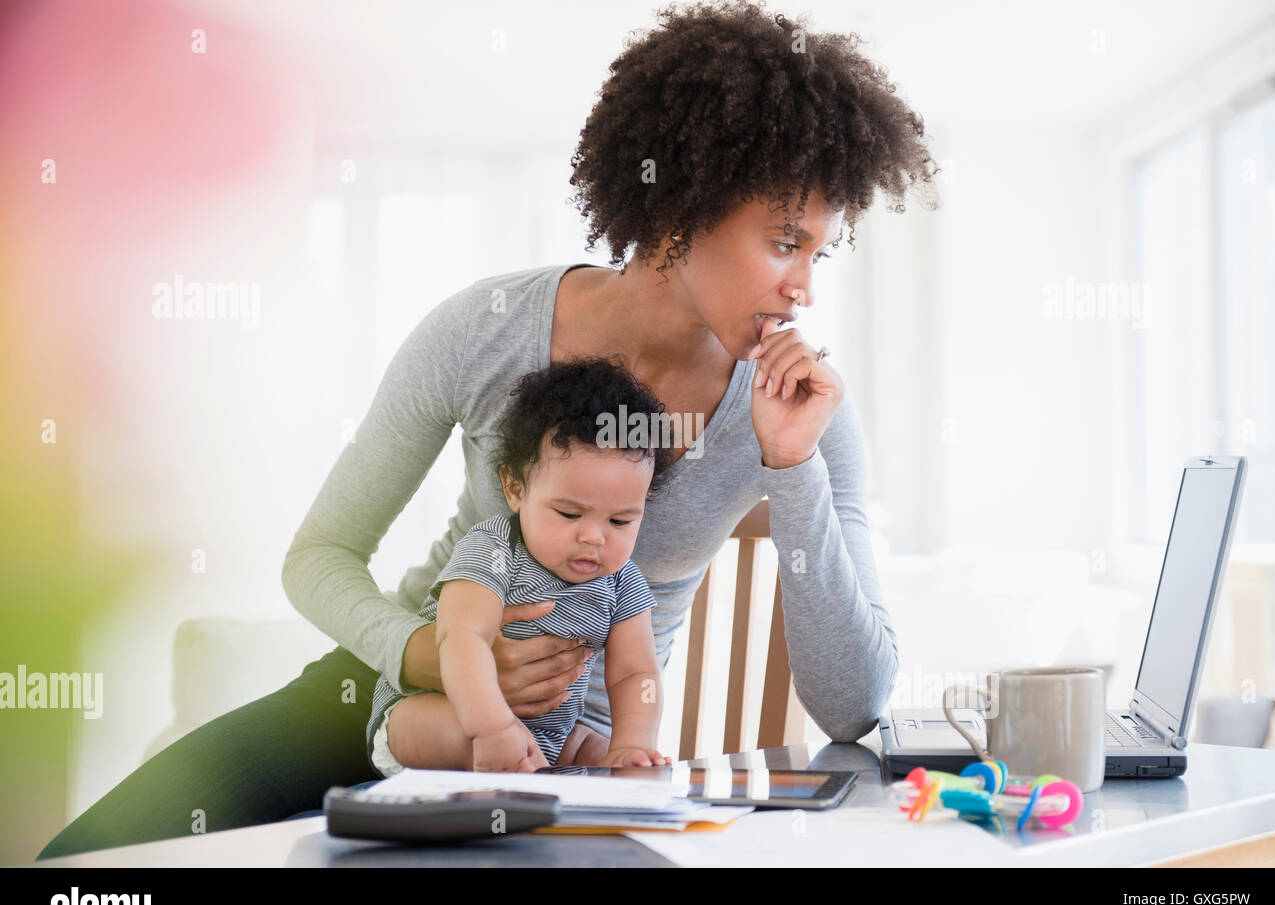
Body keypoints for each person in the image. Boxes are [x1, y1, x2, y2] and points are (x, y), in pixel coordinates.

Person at [36, 0, 934, 859]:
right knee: (84, 861)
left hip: (573, 769)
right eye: (785, 243)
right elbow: (318, 556)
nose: (805, 287)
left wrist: (792, 463)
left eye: (820, 251)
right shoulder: (484, 328)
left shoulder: (801, 411)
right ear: (682, 205)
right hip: (390, 701)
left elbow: (855, 704)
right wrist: (432, 656)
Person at [369, 358, 674, 774]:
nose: (594, 537)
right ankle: (497, 754)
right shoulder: (495, 548)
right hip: (434, 714)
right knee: (463, 735)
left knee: (608, 759)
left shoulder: (621, 581)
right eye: (569, 514)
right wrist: (494, 728)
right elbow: (461, 639)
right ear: (515, 489)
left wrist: (632, 743)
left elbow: (635, 672)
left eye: (620, 520)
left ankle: (542, 777)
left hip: (550, 736)